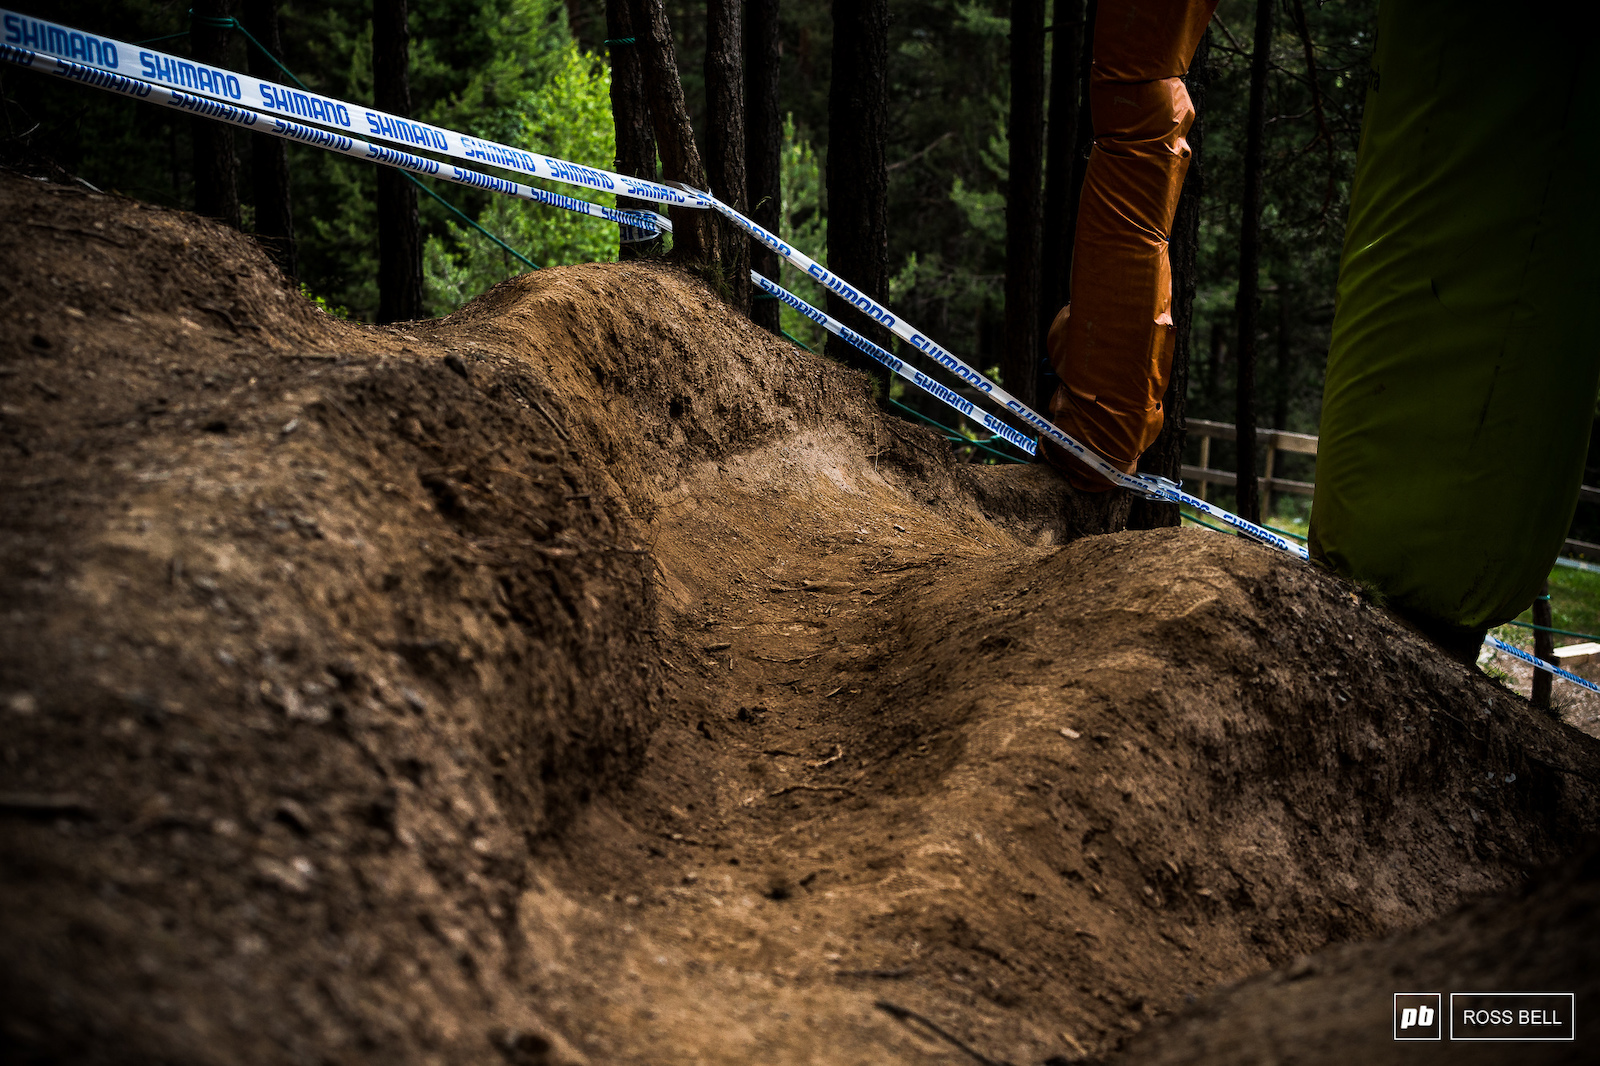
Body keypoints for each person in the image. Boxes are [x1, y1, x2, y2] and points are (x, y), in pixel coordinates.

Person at [1043, 0, 1218, 490]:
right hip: (1141, 121)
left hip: (1100, 441)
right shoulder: (1152, 111)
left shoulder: (1145, 108)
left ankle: (1095, 441)